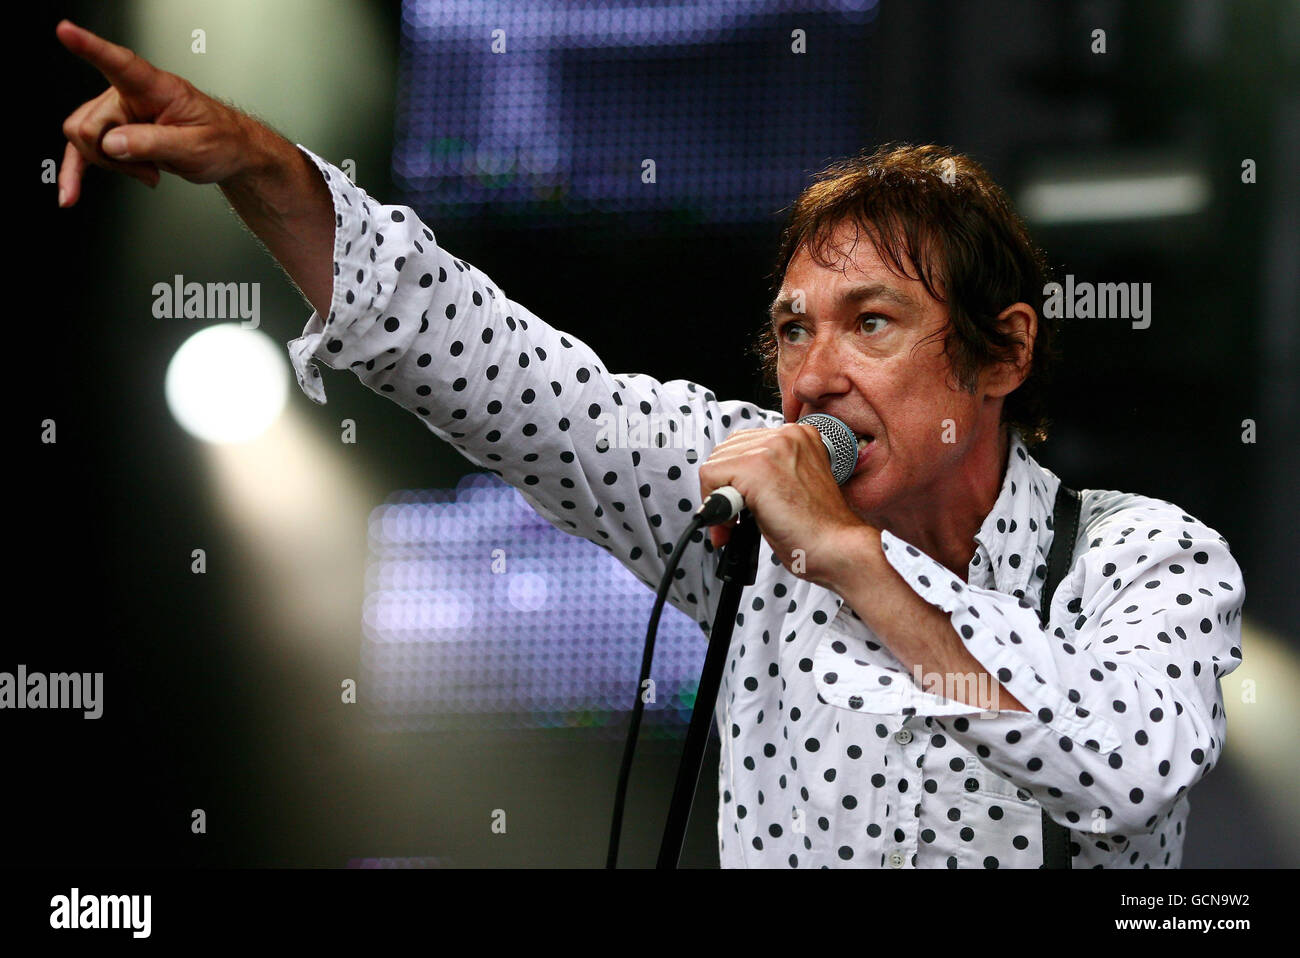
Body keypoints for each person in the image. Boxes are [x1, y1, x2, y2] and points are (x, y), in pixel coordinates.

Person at [57, 19, 1244, 868]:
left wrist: (853, 560)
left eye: (870, 322)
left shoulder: (1146, 559)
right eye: (792, 330)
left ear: (1002, 353)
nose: (815, 372)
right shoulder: (752, 482)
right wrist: (269, 170)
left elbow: (1121, 765)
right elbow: (497, 365)